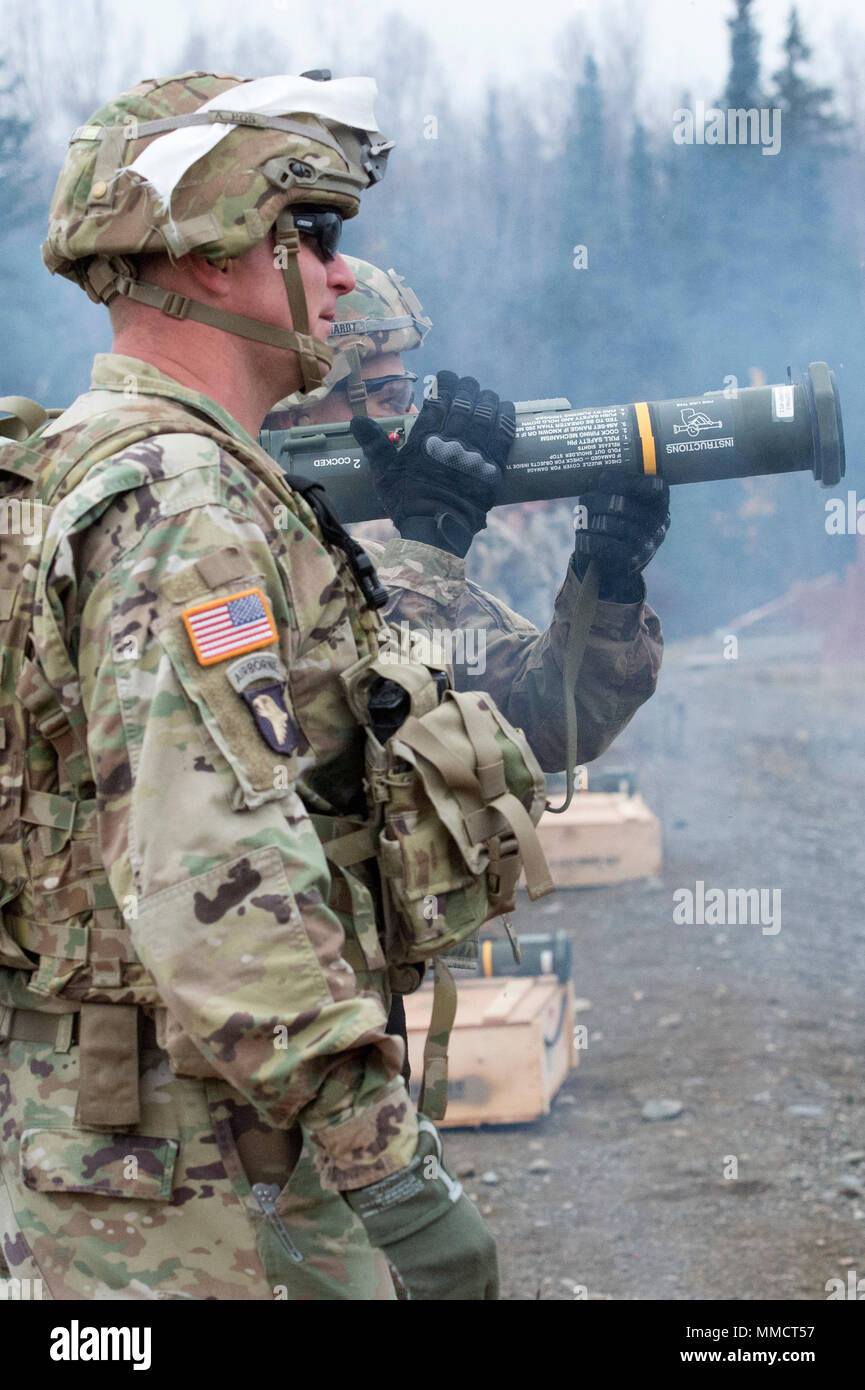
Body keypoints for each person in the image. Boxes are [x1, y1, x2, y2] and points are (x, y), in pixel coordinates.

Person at [0, 70, 511, 1302]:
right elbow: (209, 862)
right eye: (316, 234)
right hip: (198, 1169)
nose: (343, 274)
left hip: (133, 1140)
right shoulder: (182, 501)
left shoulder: (83, 465)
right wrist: (389, 1169)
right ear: (214, 253)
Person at [266, 258, 669, 776]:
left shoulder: (375, 559)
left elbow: (549, 720)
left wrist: (604, 588)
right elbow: (371, 749)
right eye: (391, 399)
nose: (411, 421)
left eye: (409, 397)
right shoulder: (242, 550)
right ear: (293, 418)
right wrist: (428, 551)